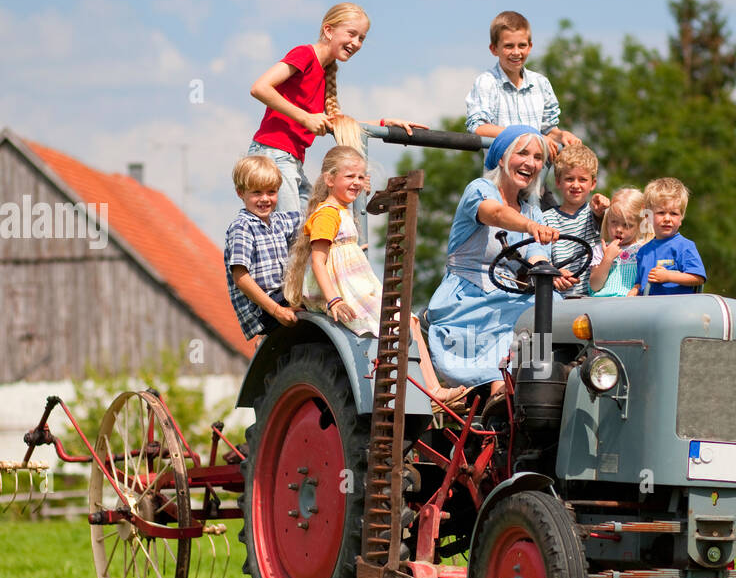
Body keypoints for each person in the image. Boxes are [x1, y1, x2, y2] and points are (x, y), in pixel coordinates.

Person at [284, 146, 467, 407]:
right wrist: (334, 300)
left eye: (361, 177)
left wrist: (354, 251)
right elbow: (318, 260)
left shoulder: (341, 211)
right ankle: (433, 391)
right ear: (329, 179)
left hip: (354, 283)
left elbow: (339, 247)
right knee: (405, 320)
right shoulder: (327, 213)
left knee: (410, 321)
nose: (356, 182)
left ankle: (430, 388)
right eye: (350, 177)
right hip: (340, 290)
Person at [425, 125, 573, 396]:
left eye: (538, 158)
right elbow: (494, 213)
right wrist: (529, 227)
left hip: (508, 298)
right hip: (468, 301)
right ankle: (500, 390)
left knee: (555, 307)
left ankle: (546, 381)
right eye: (522, 153)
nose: (530, 163)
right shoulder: (479, 190)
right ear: (502, 158)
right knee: (519, 326)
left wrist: (548, 271)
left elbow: (536, 255)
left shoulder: (532, 211)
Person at [247, 2, 422, 214]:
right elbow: (260, 88)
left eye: (362, 38)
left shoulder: (325, 73)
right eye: (351, 34)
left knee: (310, 227)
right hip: (272, 153)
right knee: (292, 230)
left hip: (293, 160)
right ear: (329, 30)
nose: (356, 43)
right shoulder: (305, 55)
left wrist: (385, 124)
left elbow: (338, 124)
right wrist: (305, 118)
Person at [465, 10, 580, 209]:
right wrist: (530, 136)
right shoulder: (487, 82)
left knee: (553, 233)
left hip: (536, 183)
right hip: (501, 184)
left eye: (522, 45)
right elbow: (478, 127)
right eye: (508, 46)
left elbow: (548, 129)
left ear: (530, 47)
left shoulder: (540, 83)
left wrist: (561, 136)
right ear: (494, 49)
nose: (516, 52)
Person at [224, 155, 302, 340]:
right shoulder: (242, 227)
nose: (265, 199)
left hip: (280, 296)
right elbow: (241, 277)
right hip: (261, 308)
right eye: (257, 192)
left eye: (271, 192)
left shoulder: (279, 221)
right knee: (315, 304)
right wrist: (277, 311)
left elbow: (313, 220)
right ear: (240, 193)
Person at [542, 144, 610, 296]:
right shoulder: (546, 218)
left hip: (595, 296)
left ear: (592, 184)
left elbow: (612, 223)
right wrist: (555, 272)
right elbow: (542, 257)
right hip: (560, 298)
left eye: (582, 179)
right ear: (558, 182)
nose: (576, 185)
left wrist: (603, 210)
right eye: (569, 179)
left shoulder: (594, 213)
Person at [631, 177, 707, 296]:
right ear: (648, 216)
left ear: (681, 218)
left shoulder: (685, 246)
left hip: (677, 310)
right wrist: (634, 290)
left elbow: (698, 278)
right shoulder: (643, 252)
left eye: (674, 213)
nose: (667, 219)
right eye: (661, 213)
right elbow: (640, 283)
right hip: (647, 310)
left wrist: (669, 276)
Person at [589, 188, 654, 297]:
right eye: (614, 222)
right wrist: (607, 259)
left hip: (630, 304)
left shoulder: (644, 248)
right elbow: (595, 286)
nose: (619, 229)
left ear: (639, 225)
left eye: (627, 225)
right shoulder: (601, 249)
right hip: (603, 302)